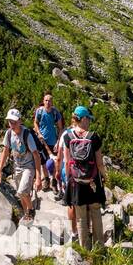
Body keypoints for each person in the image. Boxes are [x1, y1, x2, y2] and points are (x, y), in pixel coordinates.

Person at [59, 106, 106, 250]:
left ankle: (85, 248)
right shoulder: (94, 137)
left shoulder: (68, 136)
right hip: (92, 180)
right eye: (88, 119)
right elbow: (99, 163)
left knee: (80, 216)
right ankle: (99, 247)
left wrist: (68, 179)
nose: (89, 122)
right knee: (95, 212)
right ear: (84, 119)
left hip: (76, 181)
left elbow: (67, 161)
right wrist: (103, 176)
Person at [0, 109, 45, 222]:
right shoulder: (8, 134)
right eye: (9, 122)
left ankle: (31, 210)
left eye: (14, 122)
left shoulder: (27, 134)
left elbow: (36, 156)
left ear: (19, 121)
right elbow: (5, 152)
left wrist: (38, 178)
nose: (11, 124)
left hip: (28, 167)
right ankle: (27, 216)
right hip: (17, 167)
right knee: (21, 194)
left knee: (22, 191)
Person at [33, 94, 64, 193]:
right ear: (43, 101)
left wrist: (58, 141)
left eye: (49, 100)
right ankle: (46, 179)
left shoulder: (55, 112)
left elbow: (60, 128)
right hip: (42, 141)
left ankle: (54, 182)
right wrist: (38, 133)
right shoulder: (40, 111)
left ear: (52, 102)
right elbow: (35, 123)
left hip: (53, 141)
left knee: (55, 163)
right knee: (43, 162)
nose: (47, 102)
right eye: (46, 100)